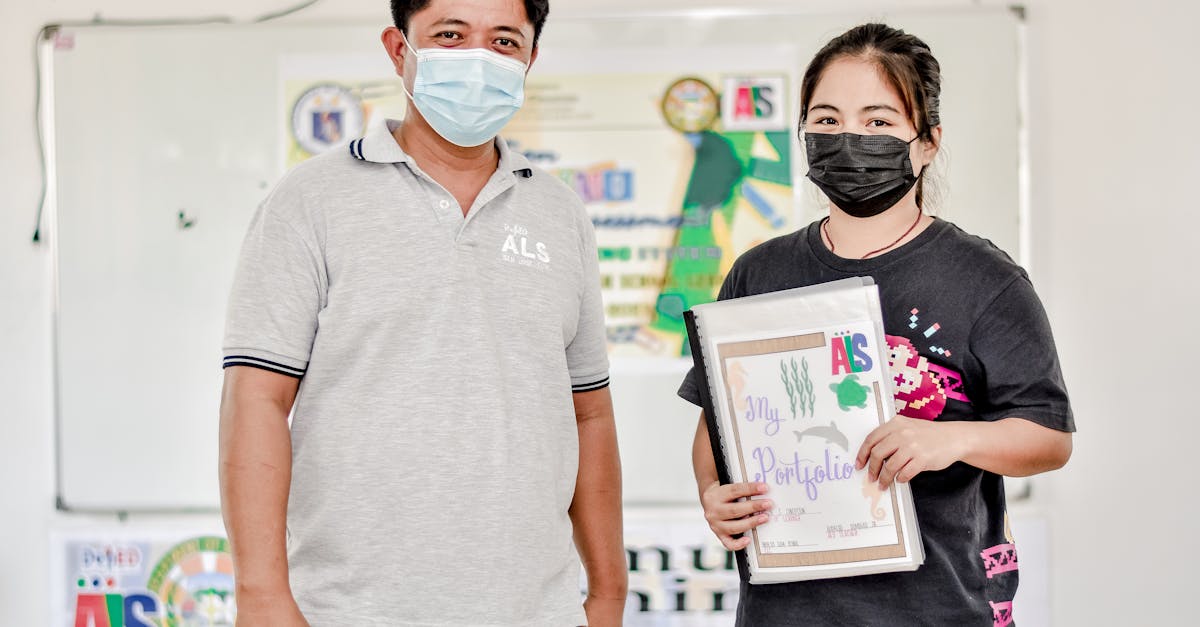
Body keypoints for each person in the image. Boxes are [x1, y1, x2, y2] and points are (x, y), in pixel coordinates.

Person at [218, 1, 627, 625]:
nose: (477, 59)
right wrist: (262, 596)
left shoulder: (559, 213)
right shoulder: (309, 201)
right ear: (397, 47)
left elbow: (589, 412)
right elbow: (257, 400)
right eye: (450, 35)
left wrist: (607, 594)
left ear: (529, 59)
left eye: (504, 41)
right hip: (346, 611)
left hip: (535, 612)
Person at [679, 23, 1074, 625]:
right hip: (781, 611)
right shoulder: (758, 273)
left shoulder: (985, 281)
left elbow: (1049, 439)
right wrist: (715, 495)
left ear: (928, 142)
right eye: (827, 120)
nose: (850, 138)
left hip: (935, 608)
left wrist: (951, 439)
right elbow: (717, 433)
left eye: (879, 121)